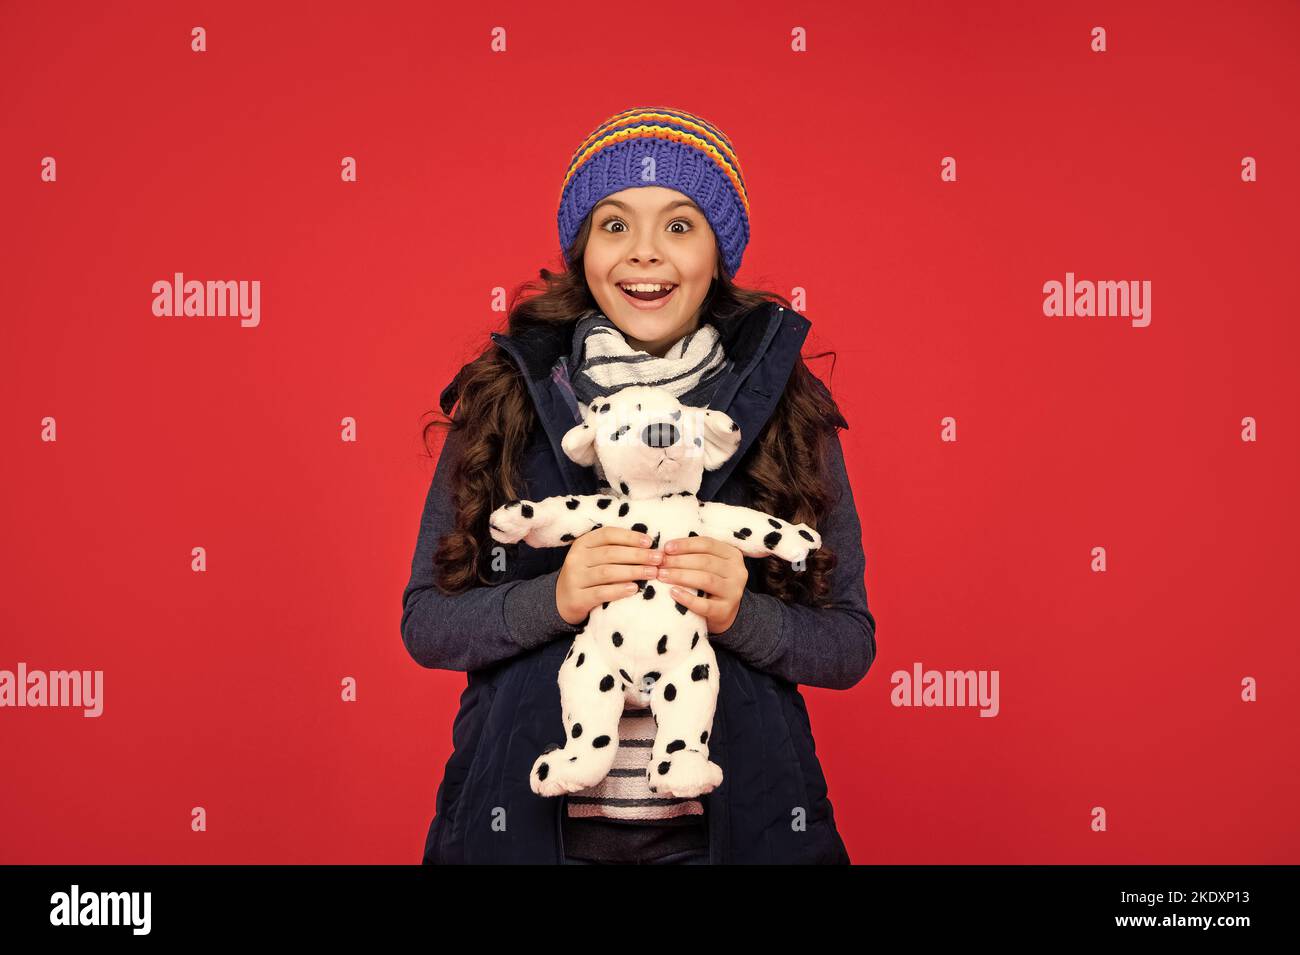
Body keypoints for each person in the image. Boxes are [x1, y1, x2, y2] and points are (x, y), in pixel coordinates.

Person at [401, 106, 877, 864]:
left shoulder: (787, 410)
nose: (644, 254)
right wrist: (552, 599)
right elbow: (427, 622)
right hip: (523, 831)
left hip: (733, 836)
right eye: (615, 224)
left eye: (680, 226)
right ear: (582, 246)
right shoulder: (503, 397)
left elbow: (849, 644)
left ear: (720, 250)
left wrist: (740, 614)